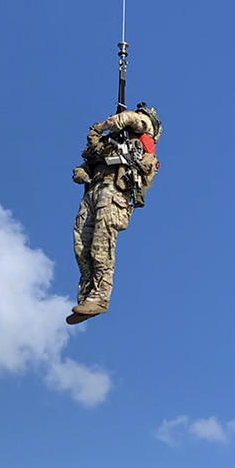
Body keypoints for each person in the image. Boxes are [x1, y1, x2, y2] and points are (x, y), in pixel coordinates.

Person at [67, 102, 162, 324]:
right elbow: (89, 162)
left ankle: (100, 297)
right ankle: (87, 297)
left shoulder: (144, 129)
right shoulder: (115, 143)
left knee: (101, 244)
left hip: (114, 192)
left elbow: (128, 119)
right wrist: (82, 171)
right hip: (94, 189)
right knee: (82, 246)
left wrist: (101, 126)